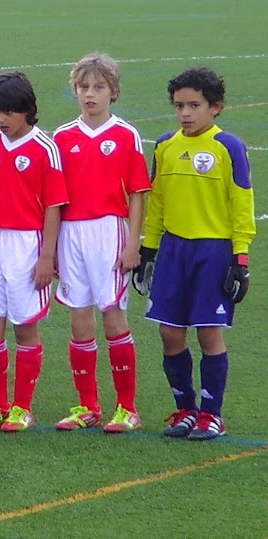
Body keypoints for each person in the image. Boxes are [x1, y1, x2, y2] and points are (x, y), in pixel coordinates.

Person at [141, 67, 253, 442]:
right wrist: (147, 250)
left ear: (215, 107)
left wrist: (240, 259)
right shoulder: (164, 146)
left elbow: (241, 205)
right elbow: (155, 204)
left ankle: (211, 414)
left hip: (212, 251)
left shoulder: (228, 147)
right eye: (178, 106)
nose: (185, 113)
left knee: (208, 333)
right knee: (169, 334)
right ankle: (185, 409)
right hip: (173, 250)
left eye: (194, 105)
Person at [51, 53, 149, 433]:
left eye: (99, 87)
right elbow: (55, 200)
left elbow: (138, 192)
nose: (90, 94)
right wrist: (53, 246)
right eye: (83, 87)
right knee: (79, 318)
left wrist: (133, 243)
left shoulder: (125, 135)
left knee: (112, 315)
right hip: (71, 233)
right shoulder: (61, 137)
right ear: (75, 91)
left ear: (113, 92)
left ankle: (127, 408)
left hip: (109, 231)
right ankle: (86, 405)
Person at [0, 72, 67, 433]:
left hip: (28, 245)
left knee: (24, 327)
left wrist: (47, 257)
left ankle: (22, 407)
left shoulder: (45, 147)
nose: (0, 120)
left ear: (26, 110)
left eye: (8, 112)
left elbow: (54, 206)